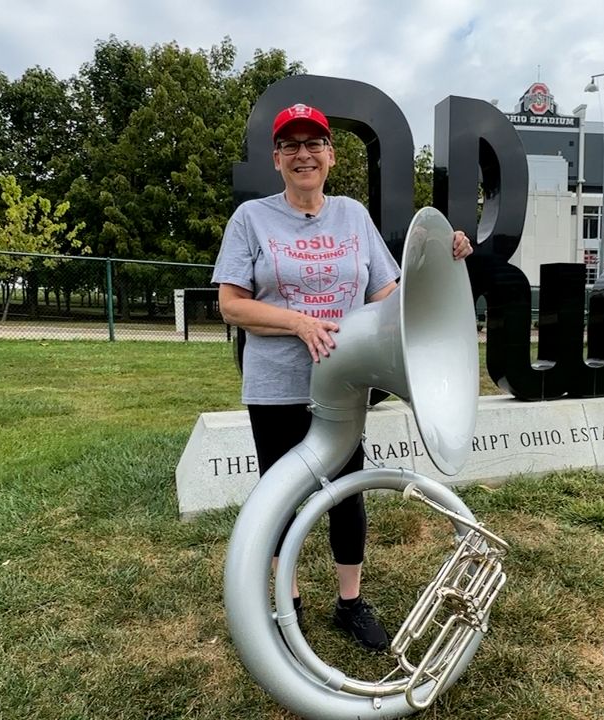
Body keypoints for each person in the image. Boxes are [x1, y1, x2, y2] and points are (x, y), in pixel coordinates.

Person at [212, 103, 472, 652]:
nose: (303, 154)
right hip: (278, 383)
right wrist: (298, 322)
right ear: (277, 159)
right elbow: (232, 305)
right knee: (280, 495)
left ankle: (349, 604)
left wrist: (444, 265)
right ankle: (290, 603)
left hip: (347, 383)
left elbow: (388, 297)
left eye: (314, 144)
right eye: (291, 146)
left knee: (346, 494)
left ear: (330, 155)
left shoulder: (352, 215)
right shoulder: (251, 219)